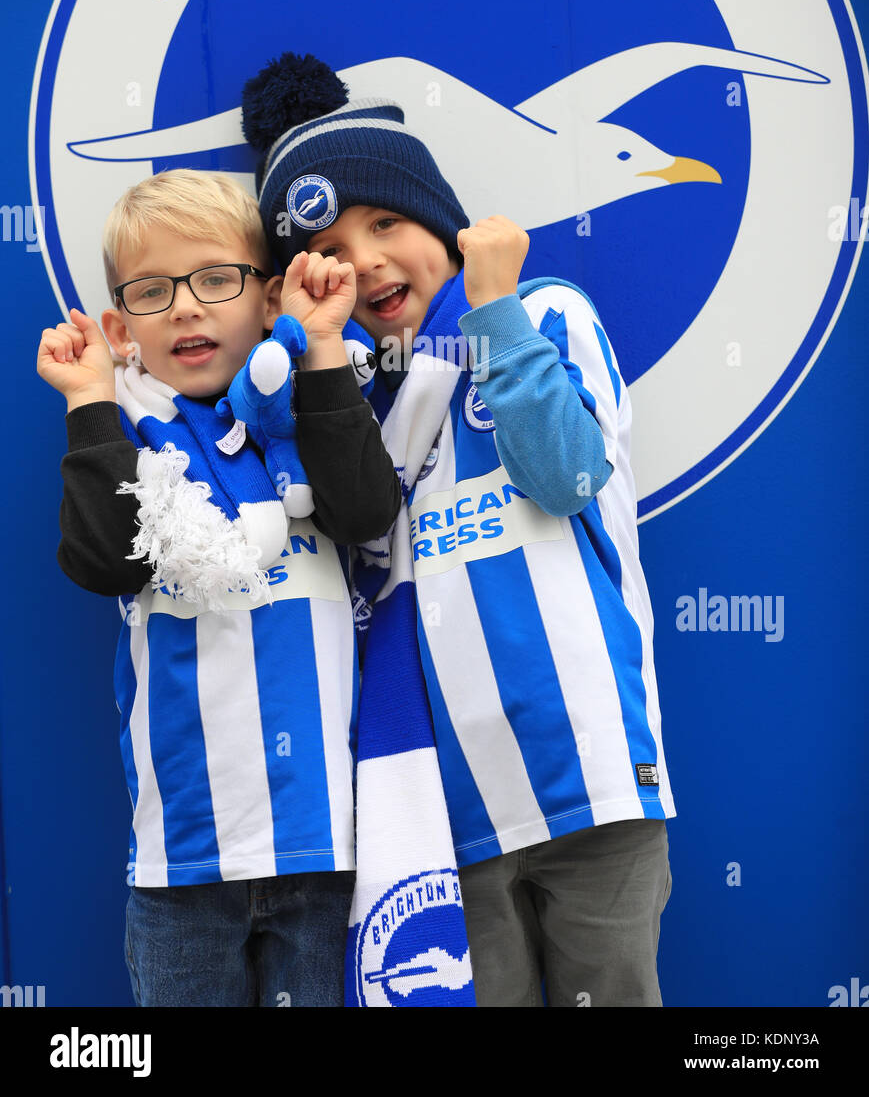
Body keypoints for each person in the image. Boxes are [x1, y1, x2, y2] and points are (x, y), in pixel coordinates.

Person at [242, 55, 676, 1008]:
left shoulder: (541, 314)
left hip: (589, 777)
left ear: (441, 219)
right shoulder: (348, 405)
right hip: (448, 812)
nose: (365, 261)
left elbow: (563, 476)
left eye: (385, 222)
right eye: (330, 249)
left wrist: (491, 312)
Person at [36, 168, 400, 1007]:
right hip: (186, 861)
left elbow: (365, 512)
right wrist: (89, 399)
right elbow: (105, 562)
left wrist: (315, 350)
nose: (187, 308)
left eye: (215, 280)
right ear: (121, 326)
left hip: (326, 847)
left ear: (268, 297)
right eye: (154, 292)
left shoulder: (306, 411)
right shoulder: (125, 431)